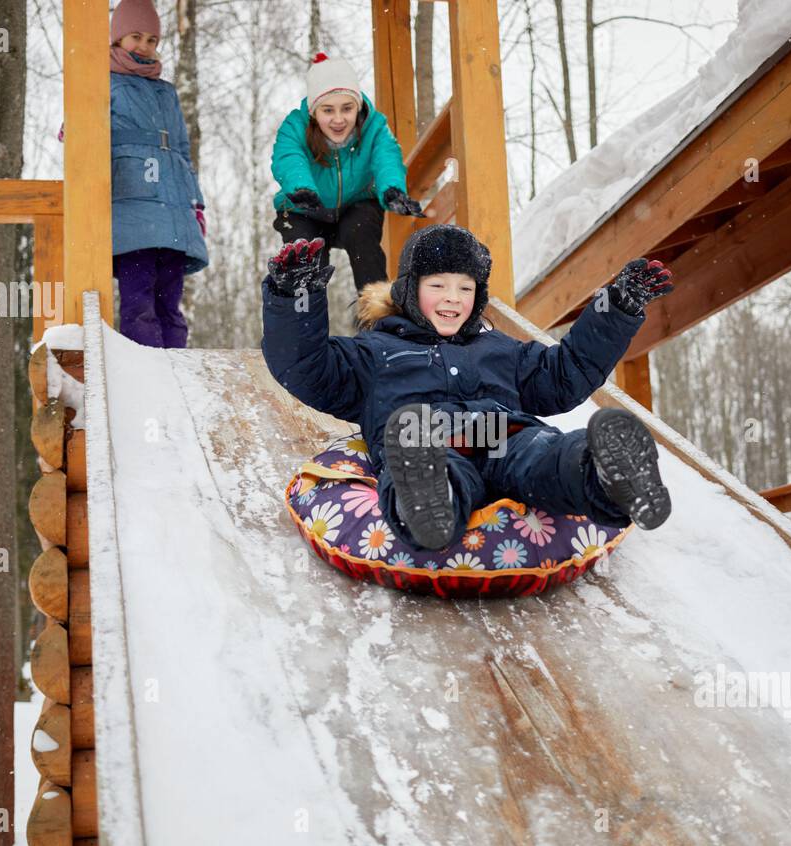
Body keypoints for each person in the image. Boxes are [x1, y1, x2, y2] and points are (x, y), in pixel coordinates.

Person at [260, 224, 675, 553]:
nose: (452, 298)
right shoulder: (375, 352)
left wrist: (616, 308)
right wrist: (293, 295)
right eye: (437, 285)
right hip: (423, 438)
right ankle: (425, 498)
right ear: (408, 290)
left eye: (465, 288)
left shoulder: (499, 349)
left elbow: (565, 373)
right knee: (435, 462)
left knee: (545, 454)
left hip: (503, 437)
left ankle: (603, 474)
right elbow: (306, 366)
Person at [270, 53, 426, 292]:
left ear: (358, 106)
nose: (339, 119)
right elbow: (289, 158)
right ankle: (304, 316)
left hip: (356, 205)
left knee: (363, 238)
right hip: (305, 207)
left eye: (347, 108)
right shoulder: (295, 127)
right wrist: (301, 187)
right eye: (328, 110)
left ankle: (376, 317)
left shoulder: (374, 127)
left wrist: (392, 190)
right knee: (305, 258)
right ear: (314, 111)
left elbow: (387, 157)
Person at [107, 0, 208, 348]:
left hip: (174, 212)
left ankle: (175, 371)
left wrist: (197, 204)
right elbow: (84, 124)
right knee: (138, 302)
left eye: (151, 39)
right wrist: (71, 131)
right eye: (135, 36)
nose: (144, 46)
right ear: (117, 39)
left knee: (171, 304)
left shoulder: (166, 92)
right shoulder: (105, 83)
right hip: (133, 210)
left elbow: (182, 150)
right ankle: (144, 370)